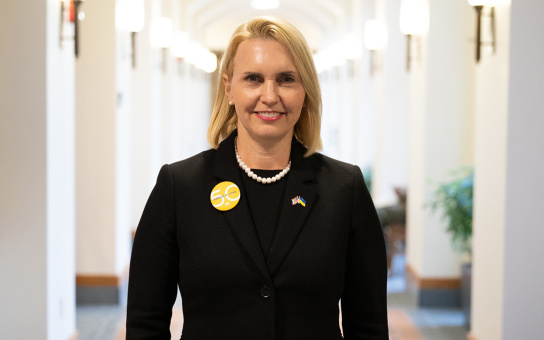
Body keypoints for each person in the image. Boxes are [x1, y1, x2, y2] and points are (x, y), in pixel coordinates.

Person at [126, 17, 389, 340]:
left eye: (286, 79)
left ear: (304, 90)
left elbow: (368, 326)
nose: (269, 95)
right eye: (253, 78)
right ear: (229, 88)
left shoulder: (343, 189)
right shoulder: (180, 186)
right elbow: (145, 323)